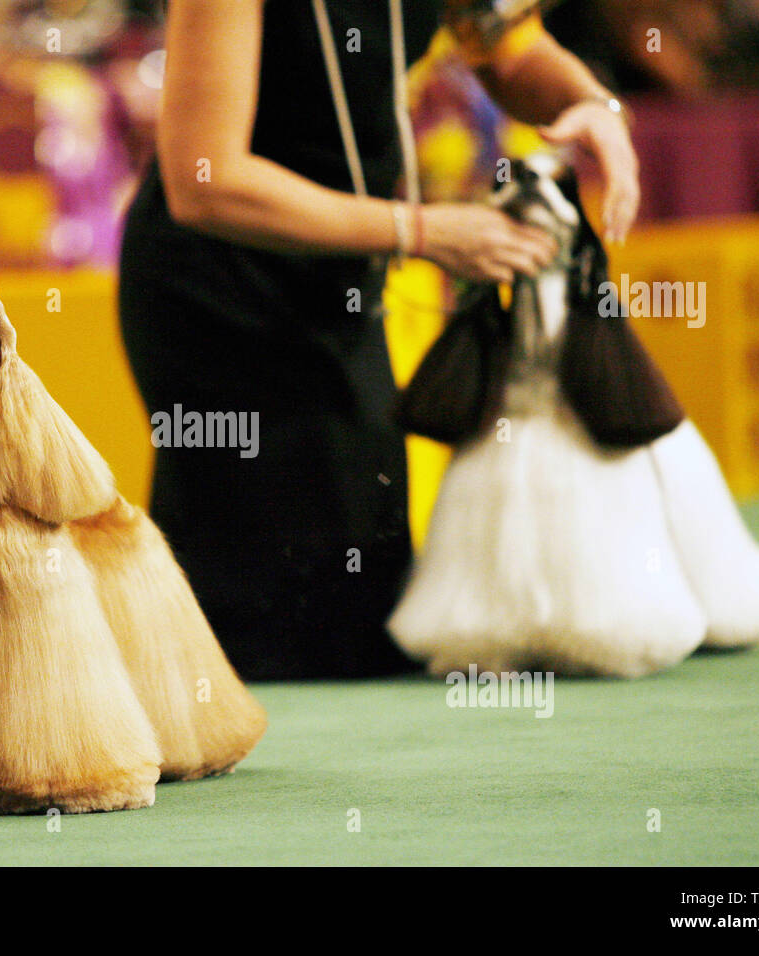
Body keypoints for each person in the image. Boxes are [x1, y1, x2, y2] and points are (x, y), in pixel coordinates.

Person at [118, 0, 640, 680]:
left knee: (364, 604)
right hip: (219, 292)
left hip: (342, 276)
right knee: (258, 627)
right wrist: (424, 232)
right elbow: (206, 185)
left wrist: (597, 107)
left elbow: (507, 46)